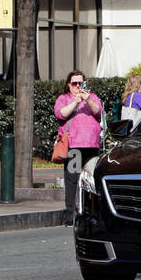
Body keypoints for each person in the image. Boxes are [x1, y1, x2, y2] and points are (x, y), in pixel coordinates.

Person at [55, 70, 104, 223]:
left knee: (92, 180)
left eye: (80, 83)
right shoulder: (64, 99)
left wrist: (87, 99)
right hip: (74, 146)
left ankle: (92, 214)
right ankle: (71, 215)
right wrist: (76, 102)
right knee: (72, 180)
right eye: (74, 83)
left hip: (91, 146)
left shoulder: (92, 97)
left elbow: (99, 112)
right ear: (69, 85)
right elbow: (60, 114)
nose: (77, 86)